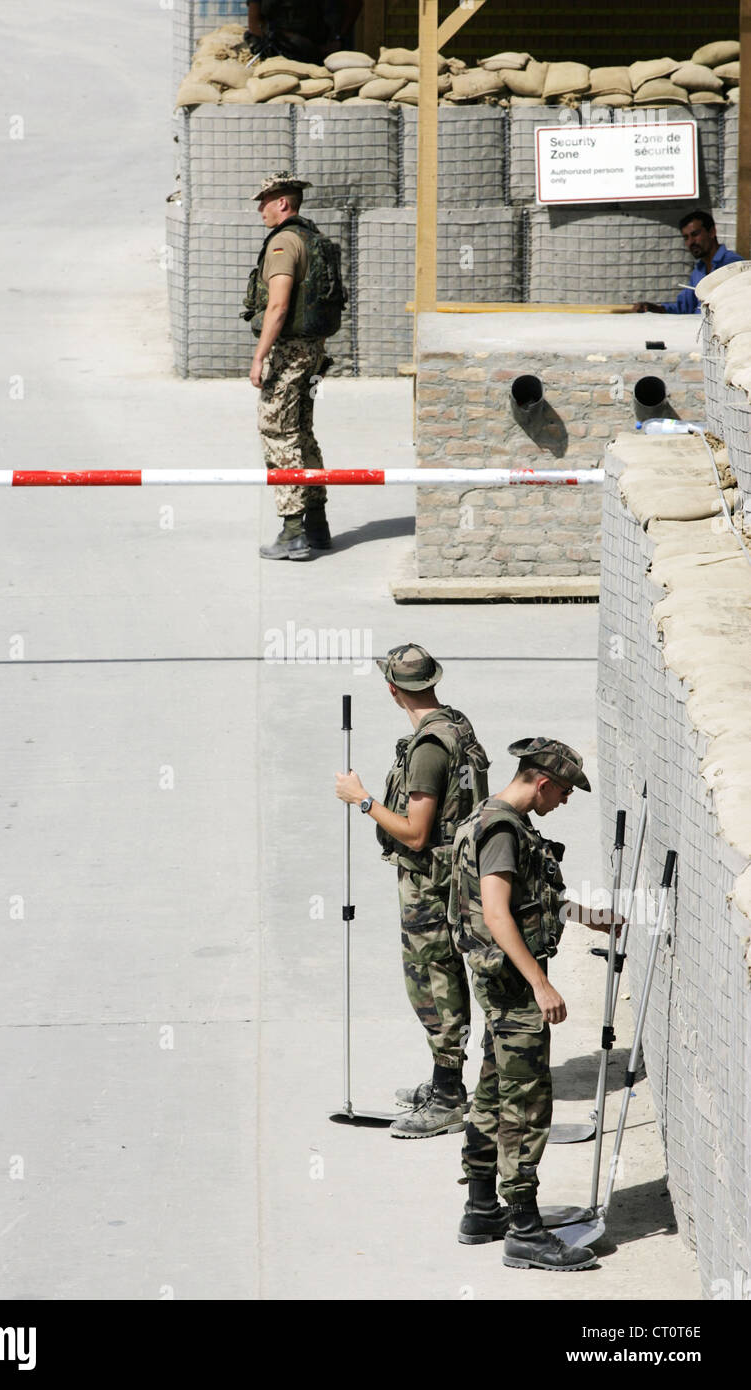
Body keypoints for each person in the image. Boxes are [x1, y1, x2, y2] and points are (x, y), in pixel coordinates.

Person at [449, 738, 623, 1271]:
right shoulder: (503, 831)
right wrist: (541, 984)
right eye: (564, 792)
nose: (565, 802)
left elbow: (527, 900)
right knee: (526, 1102)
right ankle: (524, 1229)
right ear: (541, 782)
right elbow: (499, 914)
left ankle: (482, 1208)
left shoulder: (489, 816)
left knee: (494, 1085)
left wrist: (588, 915)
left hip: (497, 982)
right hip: (514, 985)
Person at [335, 644, 490, 1138]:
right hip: (458, 869)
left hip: (431, 879)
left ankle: (448, 1097)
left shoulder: (427, 748)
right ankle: (447, 1081)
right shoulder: (456, 724)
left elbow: (416, 832)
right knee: (442, 976)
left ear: (392, 690)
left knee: (432, 981)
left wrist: (363, 802)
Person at [245, 173, 339, 561]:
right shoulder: (312, 238)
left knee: (277, 433)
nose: (260, 209)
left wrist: (260, 355)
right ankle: (317, 525)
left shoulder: (284, 242)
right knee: (302, 434)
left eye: (265, 200)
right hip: (315, 352)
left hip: (289, 353)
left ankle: (293, 531)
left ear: (283, 202)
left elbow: (279, 305)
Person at [625, 211, 744, 314]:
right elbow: (683, 308)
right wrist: (654, 308)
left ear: (712, 232)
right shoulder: (699, 270)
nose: (691, 242)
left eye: (695, 234)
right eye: (686, 238)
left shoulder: (734, 265)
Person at [245, 2, 363, 62]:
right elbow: (254, 20)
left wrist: (338, 38)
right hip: (277, 51)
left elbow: (354, 4)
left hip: (321, 50)